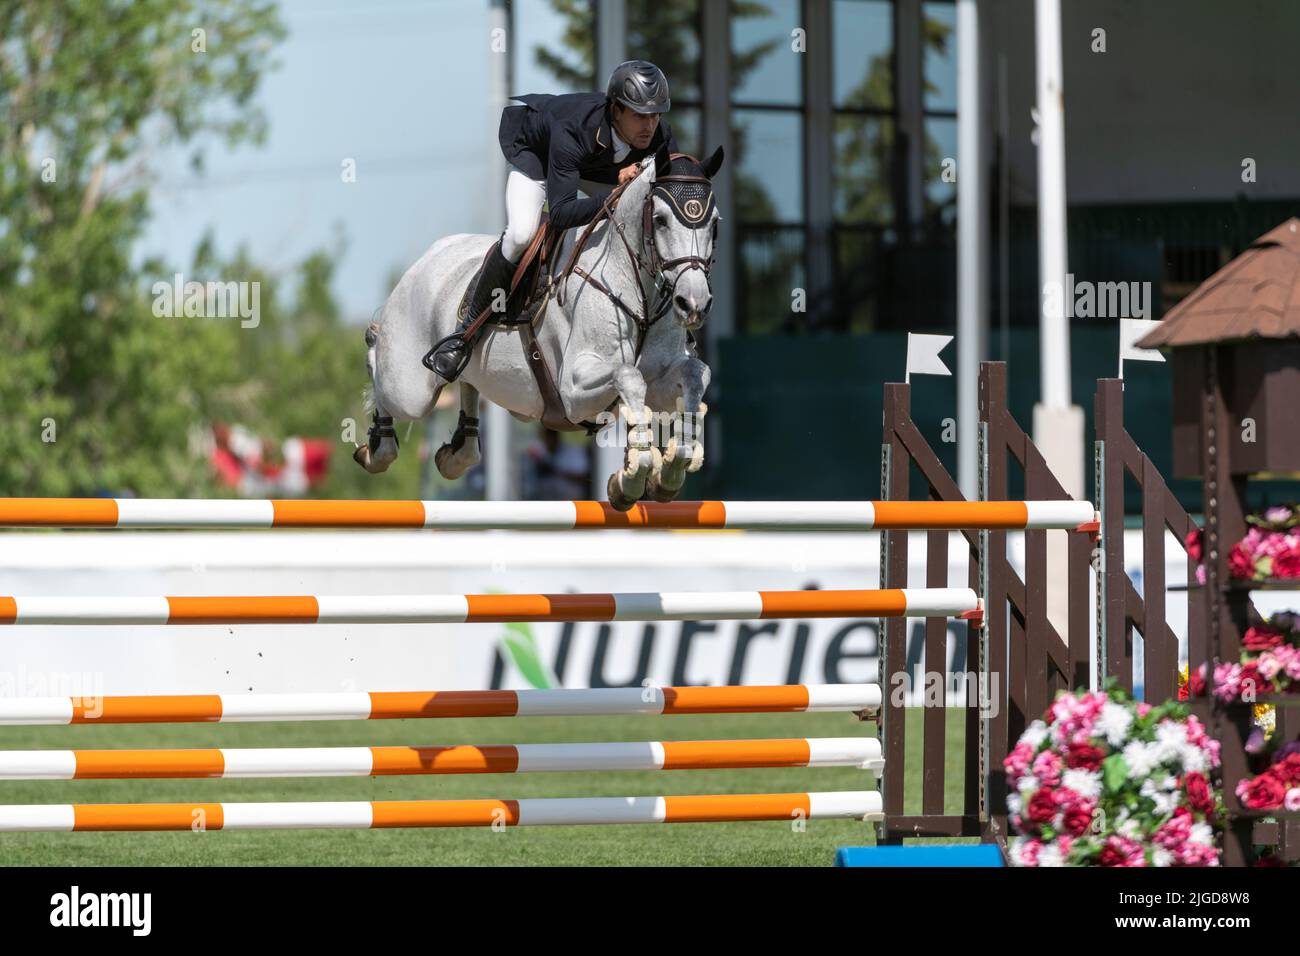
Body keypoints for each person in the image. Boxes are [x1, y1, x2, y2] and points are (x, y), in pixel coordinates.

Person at [427, 59, 678, 381]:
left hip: (594, 166)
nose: (650, 125)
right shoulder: (574, 127)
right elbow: (560, 213)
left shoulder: (660, 136)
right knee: (521, 233)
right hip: (539, 154)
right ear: (616, 110)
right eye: (640, 115)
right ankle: (465, 334)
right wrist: (617, 196)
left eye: (656, 115)